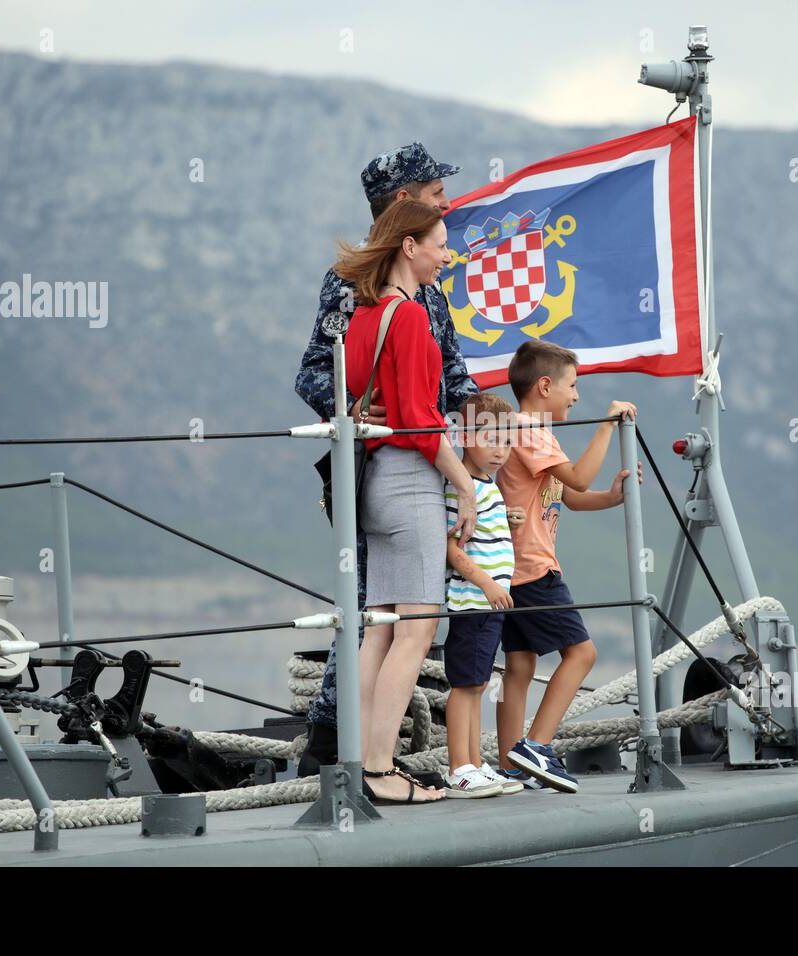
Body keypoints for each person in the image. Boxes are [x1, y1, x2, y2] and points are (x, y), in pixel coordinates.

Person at [293, 142, 478, 779]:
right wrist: (360, 415)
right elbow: (316, 374)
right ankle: (336, 752)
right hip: (386, 468)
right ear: (404, 207)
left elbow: (452, 378)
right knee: (381, 614)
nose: (446, 202)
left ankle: (362, 756)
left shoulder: (425, 295)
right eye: (434, 194)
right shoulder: (354, 287)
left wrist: (489, 428)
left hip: (422, 464)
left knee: (383, 622)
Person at [333, 199, 478, 803]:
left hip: (370, 485)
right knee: (416, 632)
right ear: (409, 247)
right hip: (412, 483)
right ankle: (381, 770)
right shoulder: (413, 317)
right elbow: (422, 424)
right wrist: (466, 485)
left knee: (379, 631)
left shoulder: (363, 316)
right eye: (441, 244)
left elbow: (364, 403)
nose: (449, 255)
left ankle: (358, 760)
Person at [494, 341, 640, 794]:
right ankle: (536, 746)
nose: (576, 396)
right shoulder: (529, 429)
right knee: (582, 654)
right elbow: (577, 476)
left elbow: (570, 496)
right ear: (544, 386)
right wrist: (607, 426)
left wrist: (611, 498)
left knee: (520, 664)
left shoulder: (529, 433)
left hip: (508, 571)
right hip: (535, 570)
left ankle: (511, 764)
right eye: (572, 386)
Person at [440, 392, 524, 798]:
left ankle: (475, 761)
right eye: (490, 439)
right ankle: (460, 766)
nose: (499, 451)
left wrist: (504, 515)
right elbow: (452, 549)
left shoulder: (485, 486)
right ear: (466, 436)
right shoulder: (463, 487)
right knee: (465, 686)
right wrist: (487, 584)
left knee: (476, 684)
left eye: (506, 442)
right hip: (473, 604)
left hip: (487, 606)